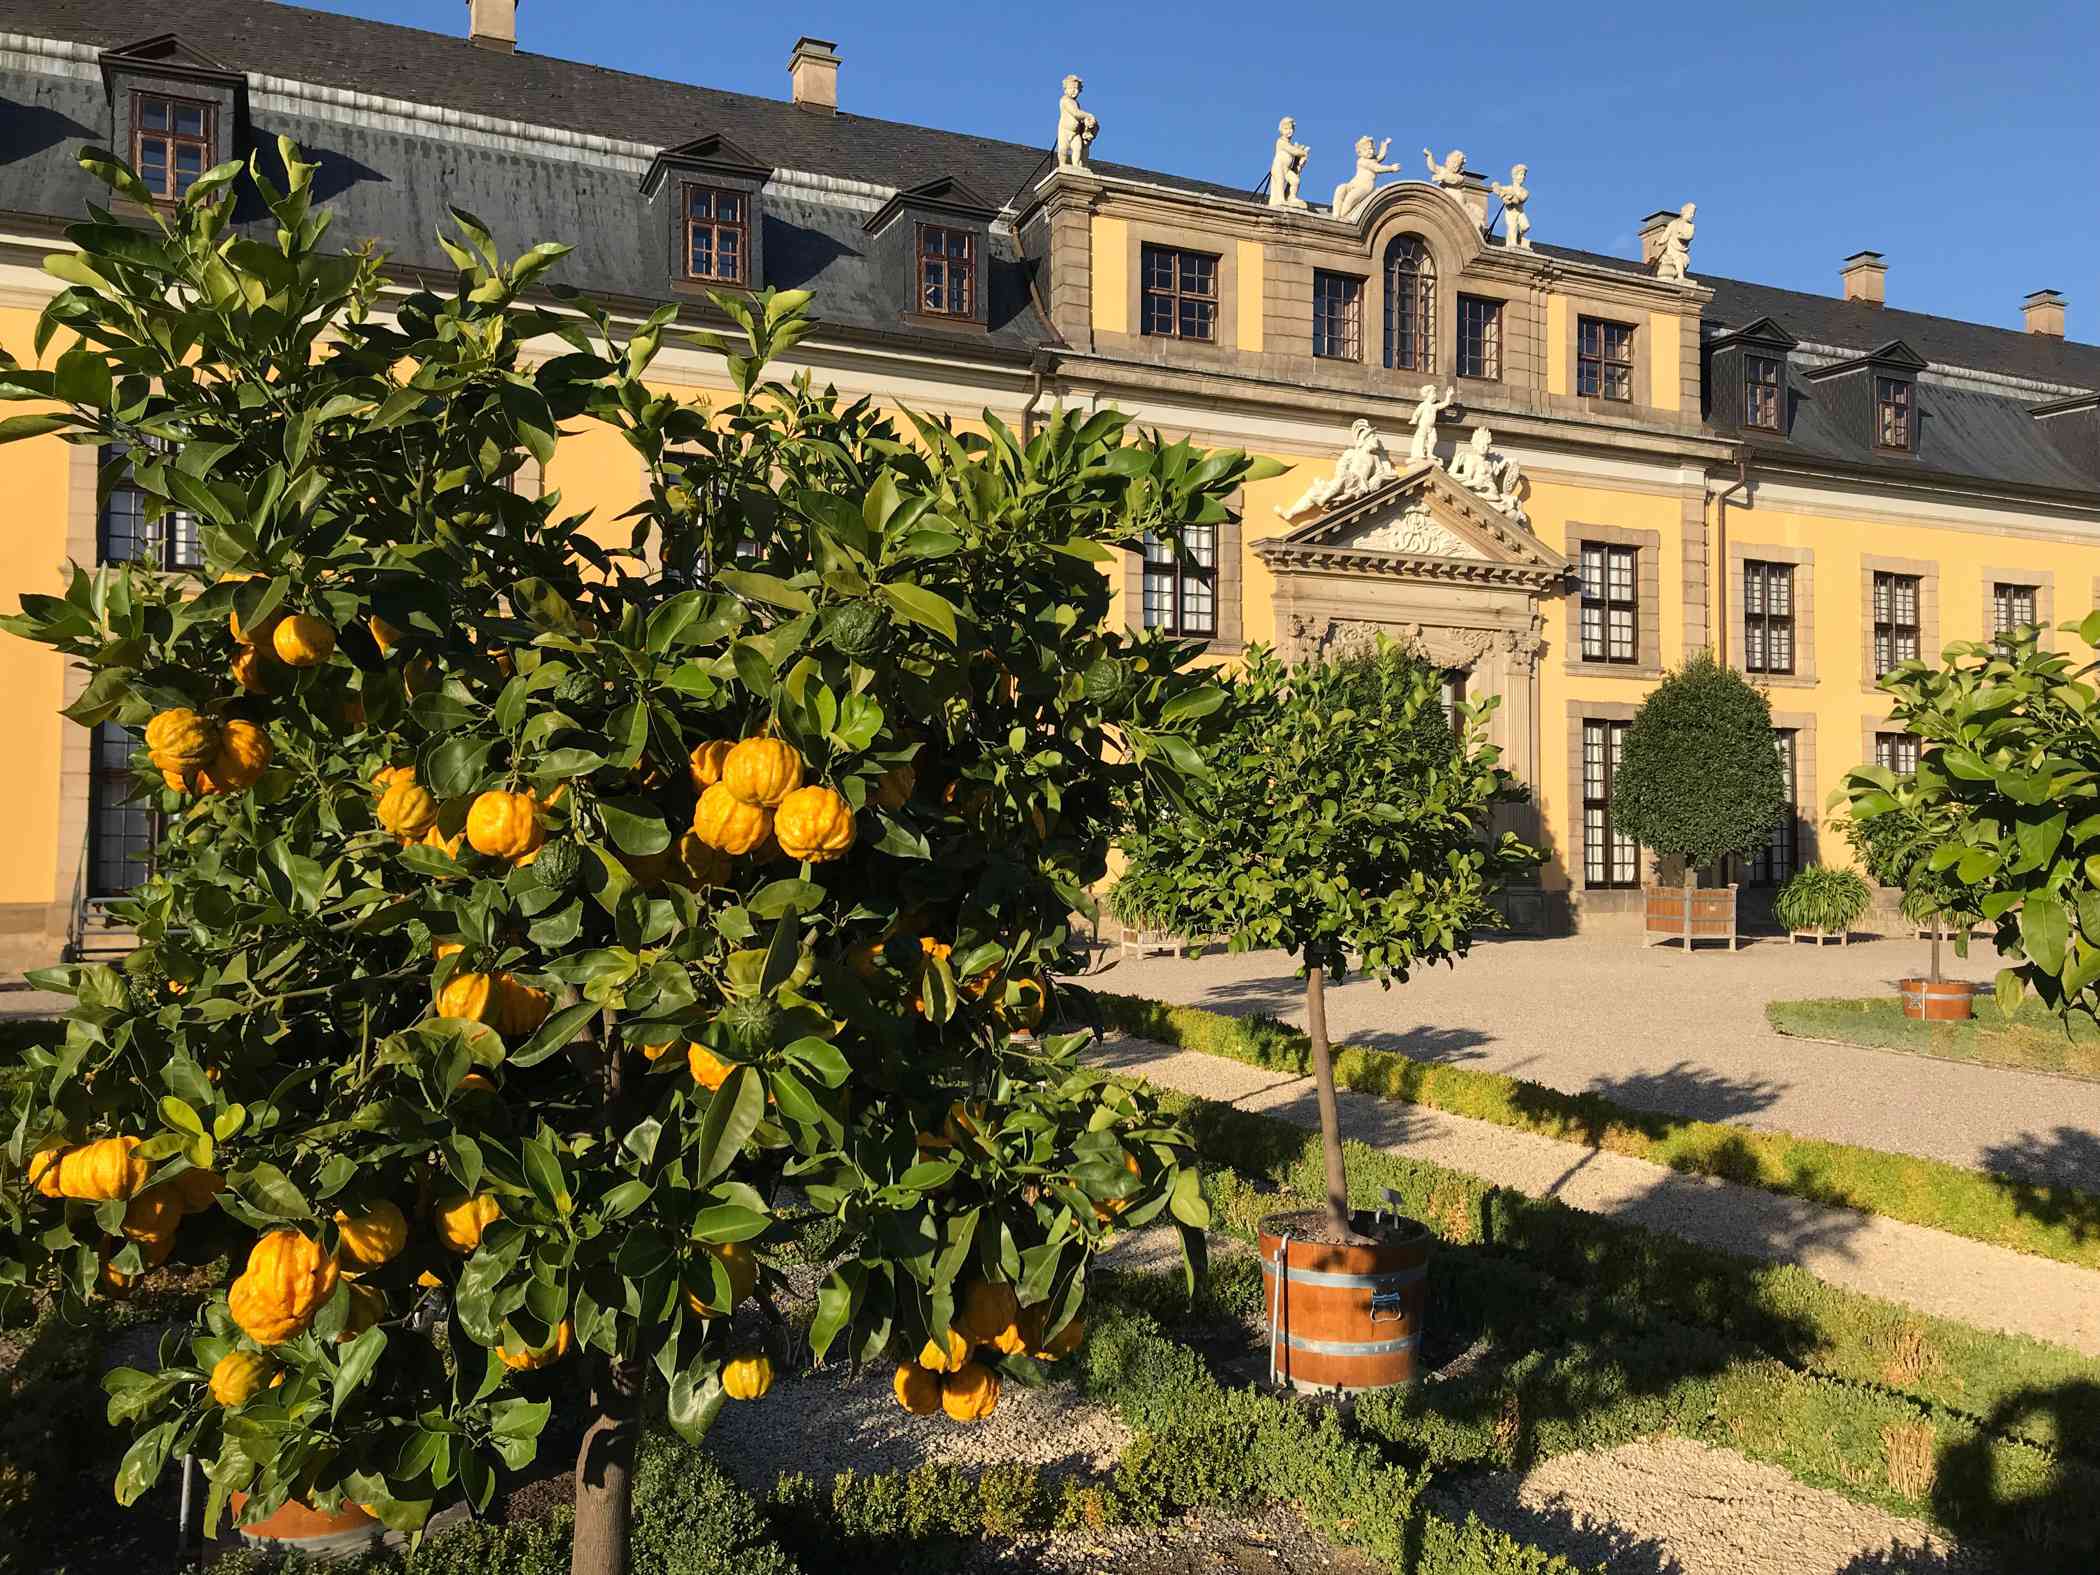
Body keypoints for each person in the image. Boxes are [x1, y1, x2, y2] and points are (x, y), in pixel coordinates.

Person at [1331, 136, 1399, 222]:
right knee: (1341, 188)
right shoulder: (1362, 161)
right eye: (1367, 150)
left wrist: (1384, 146)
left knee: (1351, 198)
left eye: (1372, 149)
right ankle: (1336, 214)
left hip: (1366, 186)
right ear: (1360, 152)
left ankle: (1343, 216)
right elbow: (1377, 167)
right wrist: (1391, 168)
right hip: (1354, 183)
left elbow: (1380, 158)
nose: (1371, 151)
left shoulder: (1372, 160)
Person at [1406, 382, 1457, 463]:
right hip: (1423, 425)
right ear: (1427, 395)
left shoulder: (1434, 406)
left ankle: (1430, 453)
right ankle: (1421, 452)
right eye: (1433, 393)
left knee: (1433, 439)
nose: (1435, 396)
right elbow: (1417, 413)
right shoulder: (1423, 405)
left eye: (1435, 394)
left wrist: (1448, 395)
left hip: (1431, 426)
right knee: (1422, 438)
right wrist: (1414, 419)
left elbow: (1445, 404)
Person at [1056, 75, 1098, 171]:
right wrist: (1088, 115)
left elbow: (1079, 116)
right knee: (1063, 149)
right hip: (1065, 131)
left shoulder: (1075, 102)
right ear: (1066, 89)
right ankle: (1062, 164)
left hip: (1075, 132)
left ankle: (1076, 166)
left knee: (1077, 148)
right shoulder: (1065, 100)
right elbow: (1075, 113)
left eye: (1077, 89)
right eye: (1072, 88)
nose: (1075, 91)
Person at [1268, 117, 1310, 209]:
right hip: (1278, 167)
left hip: (1286, 169)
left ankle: (1291, 197)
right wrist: (1303, 153)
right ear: (1281, 130)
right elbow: (1293, 151)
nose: (1289, 131)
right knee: (1280, 182)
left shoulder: (1290, 144)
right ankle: (1280, 199)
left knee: (1295, 181)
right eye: (1286, 129)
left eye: (1291, 128)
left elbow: (1295, 152)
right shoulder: (1280, 141)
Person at [1656, 201, 1696, 282]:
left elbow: (1689, 236)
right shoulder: (1674, 223)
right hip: (1673, 246)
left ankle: (1680, 275)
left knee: (1684, 260)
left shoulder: (1691, 226)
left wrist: (1682, 237)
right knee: (1678, 259)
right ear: (1684, 212)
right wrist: (1661, 241)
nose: (1692, 215)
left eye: (1693, 214)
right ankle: (1680, 276)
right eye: (1690, 213)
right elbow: (1667, 233)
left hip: (1682, 247)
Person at [1492, 163, 1531, 249]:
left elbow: (1519, 199)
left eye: (1524, 175)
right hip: (1510, 212)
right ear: (1514, 175)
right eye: (1521, 174)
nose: (1523, 177)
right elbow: (1495, 187)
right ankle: (1512, 243)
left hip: (1520, 212)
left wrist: (1509, 197)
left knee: (1525, 226)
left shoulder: (1524, 191)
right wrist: (1501, 193)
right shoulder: (1508, 188)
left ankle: (1519, 238)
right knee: (1512, 227)